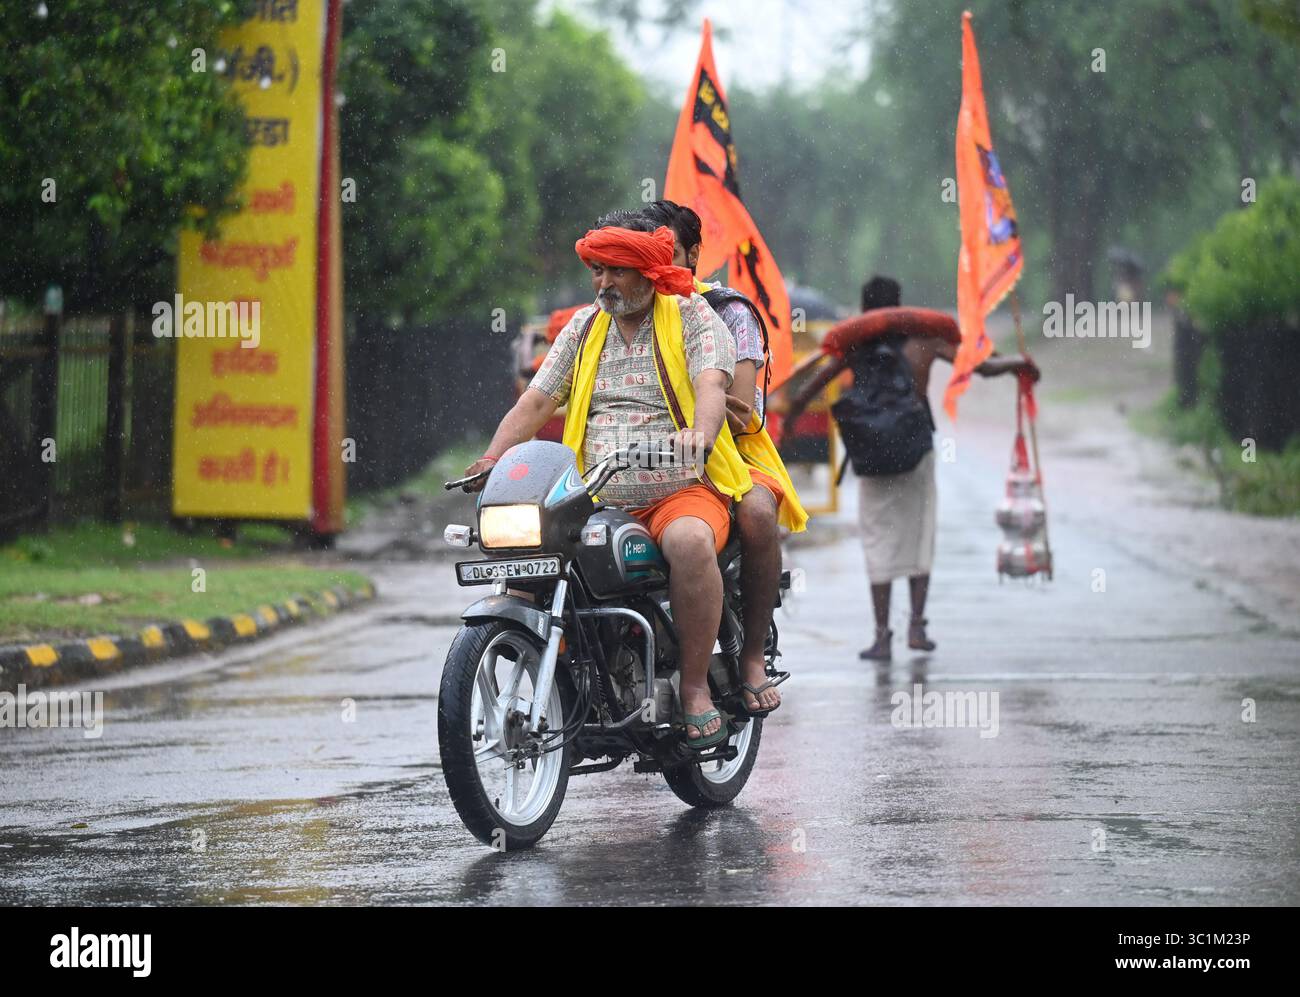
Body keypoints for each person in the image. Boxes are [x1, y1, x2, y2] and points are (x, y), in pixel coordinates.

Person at [462, 214, 749, 749]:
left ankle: (692, 690)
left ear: (648, 271)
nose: (603, 284)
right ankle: (571, 678)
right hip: (592, 494)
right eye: (597, 271)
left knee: (689, 543)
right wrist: (493, 457)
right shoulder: (583, 326)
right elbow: (538, 400)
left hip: (680, 489)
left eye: (616, 271)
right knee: (529, 556)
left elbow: (712, 385)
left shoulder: (693, 318)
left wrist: (699, 435)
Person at [786, 275, 1039, 661]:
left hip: (871, 456)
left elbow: (806, 392)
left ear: (867, 308)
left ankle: (882, 635)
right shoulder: (927, 341)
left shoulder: (853, 346)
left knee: (877, 540)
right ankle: (917, 626)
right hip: (915, 449)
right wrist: (1019, 363)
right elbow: (982, 367)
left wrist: (789, 423)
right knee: (919, 536)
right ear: (901, 306)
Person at [637, 199, 808, 716]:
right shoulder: (622, 307)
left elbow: (738, 412)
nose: (657, 263)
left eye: (669, 250)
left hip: (733, 454)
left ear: (694, 253)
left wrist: (686, 419)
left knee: (756, 511)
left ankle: (752, 656)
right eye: (645, 252)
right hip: (639, 457)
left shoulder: (728, 312)